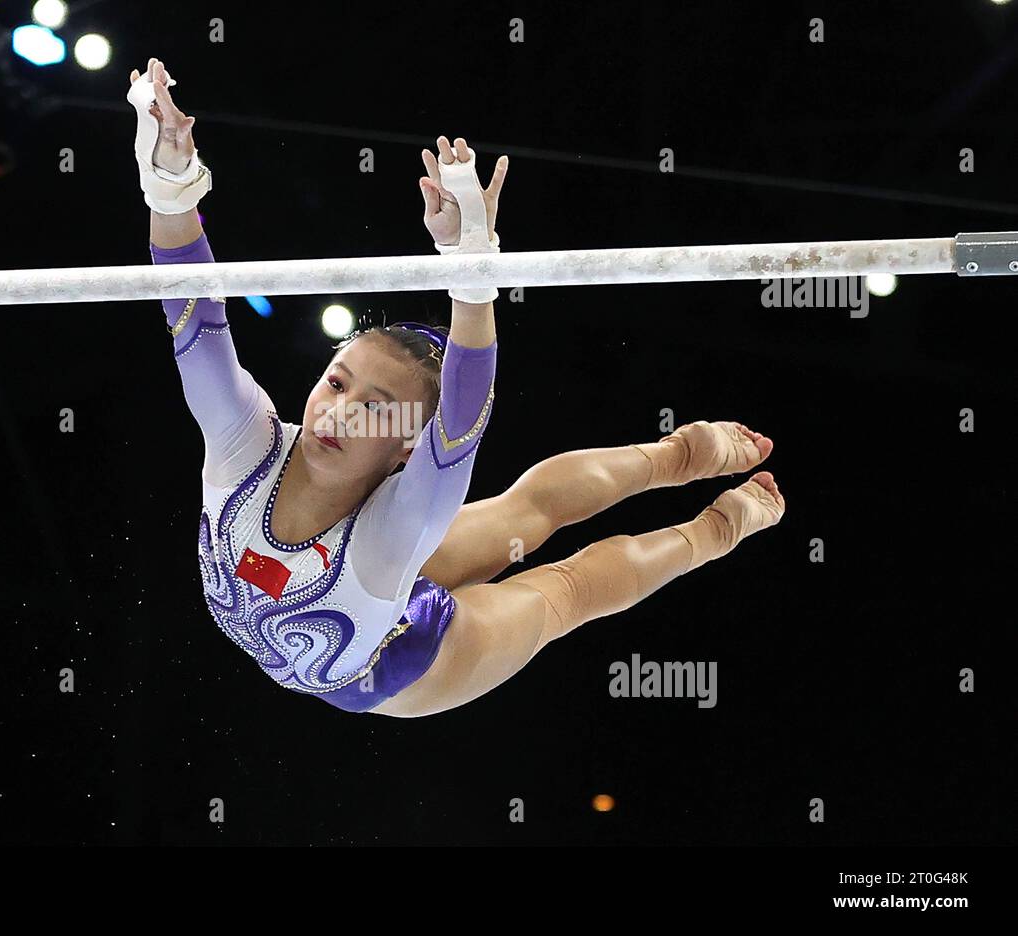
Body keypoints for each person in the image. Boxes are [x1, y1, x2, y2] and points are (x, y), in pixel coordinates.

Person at [129, 57, 786, 718]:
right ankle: (689, 472)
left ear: (408, 450)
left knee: (564, 588)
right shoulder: (246, 444)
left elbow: (462, 417)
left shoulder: (403, 521)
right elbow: (193, 317)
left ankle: (712, 513)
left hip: (408, 662)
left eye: (378, 409)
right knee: (526, 516)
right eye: (337, 383)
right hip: (368, 607)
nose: (340, 413)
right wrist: (170, 187)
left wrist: (473, 273)